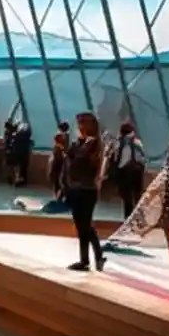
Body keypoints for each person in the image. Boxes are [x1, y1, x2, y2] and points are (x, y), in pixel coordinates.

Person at [65, 113, 106, 272]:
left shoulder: (94, 145)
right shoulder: (82, 144)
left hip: (86, 190)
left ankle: (92, 257)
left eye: (79, 124)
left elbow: (79, 163)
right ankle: (90, 258)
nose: (77, 128)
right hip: (78, 188)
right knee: (82, 225)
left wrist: (73, 151)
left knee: (85, 225)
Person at [111, 122, 146, 219]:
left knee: (127, 198)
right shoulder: (137, 142)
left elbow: (117, 159)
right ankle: (137, 218)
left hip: (125, 172)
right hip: (136, 171)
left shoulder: (120, 143)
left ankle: (128, 218)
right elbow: (142, 158)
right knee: (136, 196)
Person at [49, 121, 70, 200]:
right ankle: (60, 195)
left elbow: (60, 148)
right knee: (60, 178)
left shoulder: (60, 136)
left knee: (56, 177)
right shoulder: (67, 137)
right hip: (62, 159)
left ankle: (59, 195)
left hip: (58, 159)